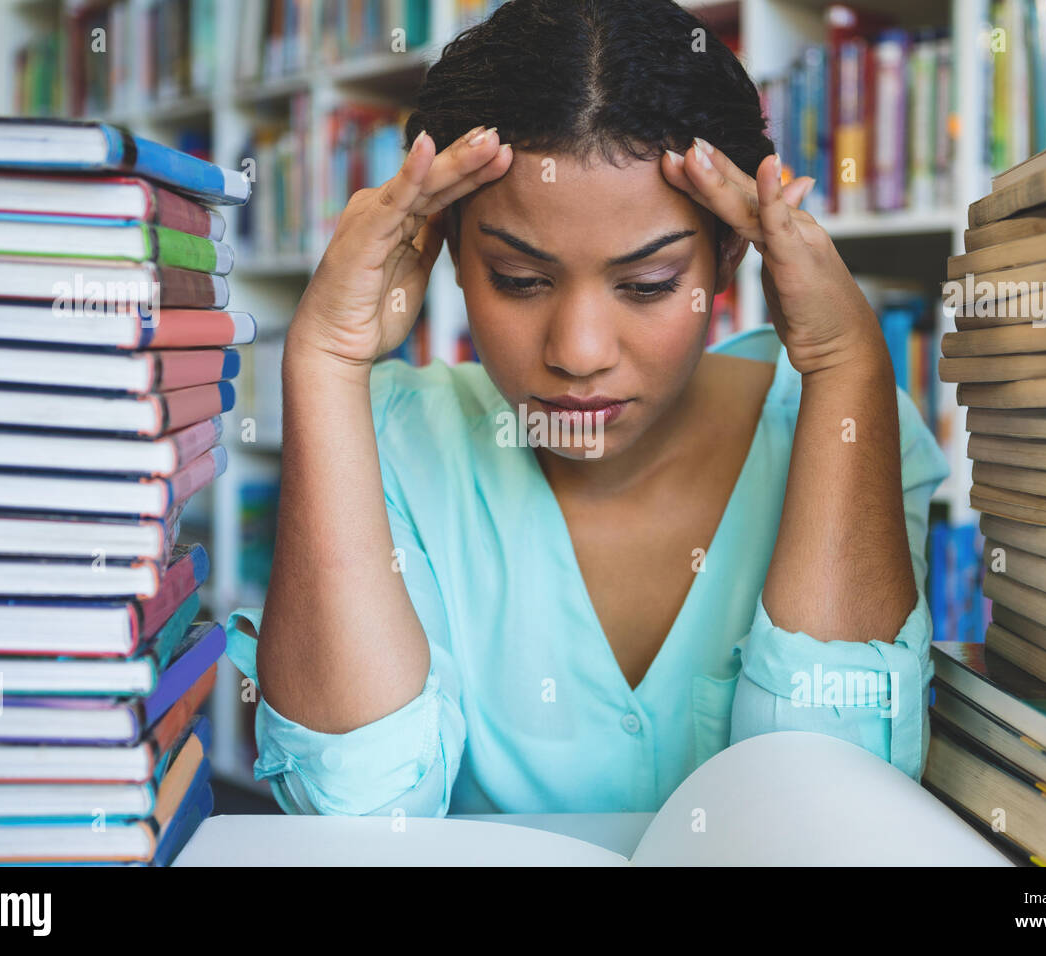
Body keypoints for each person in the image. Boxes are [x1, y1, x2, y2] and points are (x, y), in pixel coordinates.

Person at [224, 0, 950, 816]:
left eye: (646, 285)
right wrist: (324, 360)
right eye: (519, 280)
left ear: (732, 255)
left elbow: (837, 810)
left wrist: (845, 361)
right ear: (445, 254)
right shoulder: (391, 435)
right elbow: (353, 813)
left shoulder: (834, 428)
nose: (577, 351)